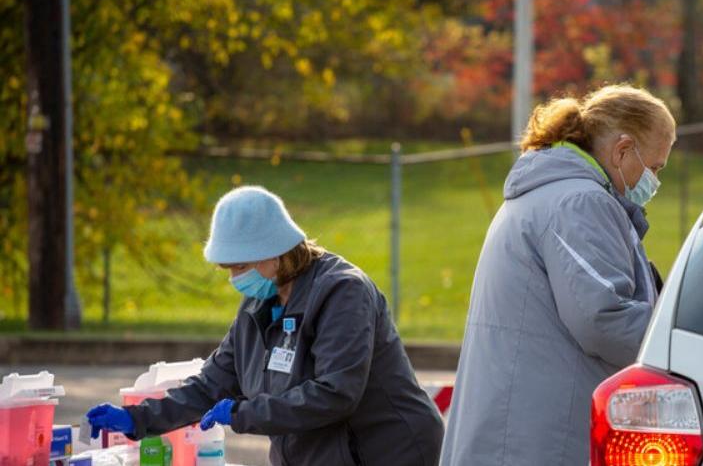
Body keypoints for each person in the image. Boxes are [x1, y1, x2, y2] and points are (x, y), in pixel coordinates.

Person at [86, 186, 444, 466]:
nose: (233, 278)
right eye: (227, 268)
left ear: (275, 252)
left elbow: (336, 394)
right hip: (320, 454)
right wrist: (138, 419)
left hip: (385, 452)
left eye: (240, 266)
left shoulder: (342, 292)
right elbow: (212, 384)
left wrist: (245, 413)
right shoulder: (259, 303)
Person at [439, 84, 676, 466]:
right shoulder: (580, 202)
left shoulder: (546, 194)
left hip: (514, 432)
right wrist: (681, 337)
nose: (655, 181)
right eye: (655, 167)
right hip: (539, 439)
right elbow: (603, 319)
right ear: (622, 150)